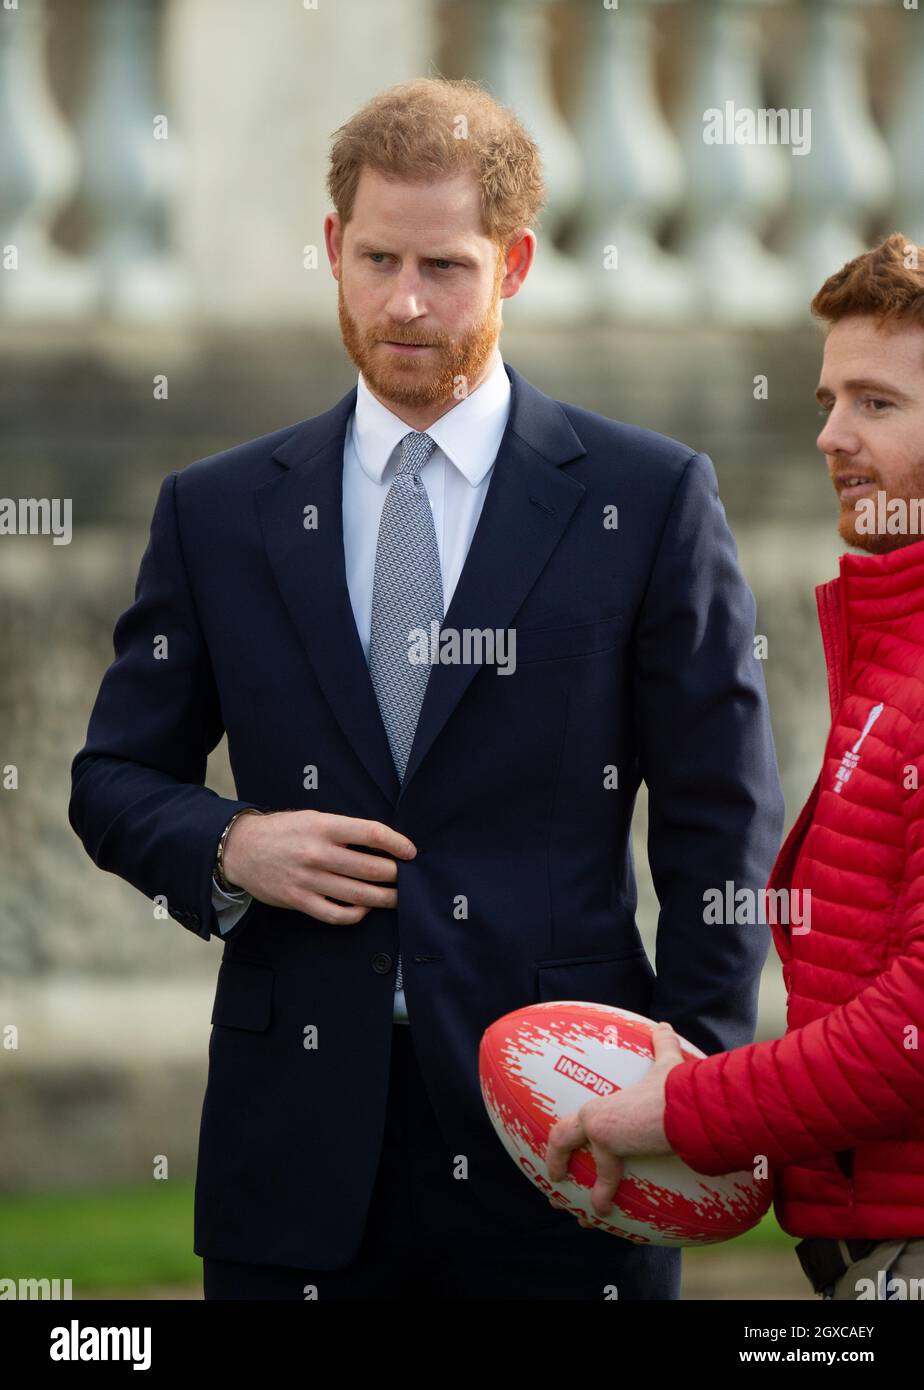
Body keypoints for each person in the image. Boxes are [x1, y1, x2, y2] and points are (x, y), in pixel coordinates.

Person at [68, 77, 783, 1301]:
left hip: (571, 1147)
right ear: (334, 249)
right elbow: (112, 779)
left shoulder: (650, 498)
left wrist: (687, 1076)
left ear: (514, 264)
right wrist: (232, 841)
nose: (405, 303)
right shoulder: (219, 510)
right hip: (292, 1154)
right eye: (380, 258)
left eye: (444, 266)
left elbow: (725, 816)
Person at [547, 232, 924, 1302]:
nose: (830, 436)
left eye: (877, 404)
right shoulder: (892, 653)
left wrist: (683, 1108)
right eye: (826, 400)